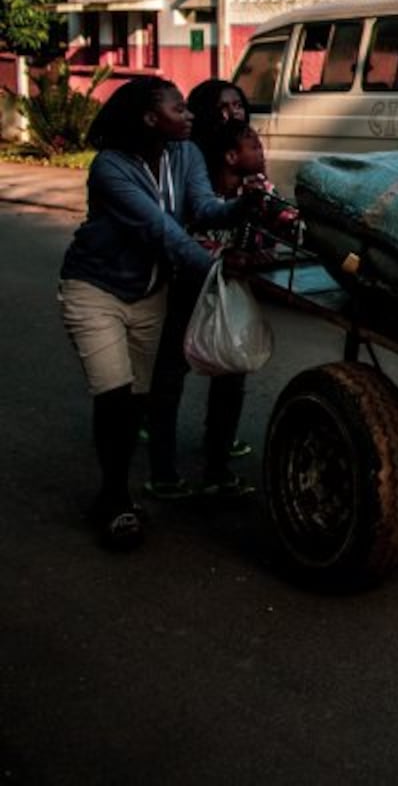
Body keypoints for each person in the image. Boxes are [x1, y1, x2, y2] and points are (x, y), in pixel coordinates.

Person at [56, 78, 248, 549]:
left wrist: (248, 205)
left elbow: (202, 209)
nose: (190, 115)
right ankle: (117, 500)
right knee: (114, 394)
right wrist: (218, 271)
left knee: (137, 401)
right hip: (95, 289)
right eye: (179, 108)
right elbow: (162, 230)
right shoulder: (110, 168)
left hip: (149, 295)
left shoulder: (185, 155)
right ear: (149, 118)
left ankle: (113, 490)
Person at [144, 81, 260, 499]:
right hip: (192, 276)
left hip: (226, 277)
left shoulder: (245, 160)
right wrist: (214, 254)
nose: (235, 113)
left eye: (238, 104)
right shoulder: (192, 158)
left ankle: (217, 462)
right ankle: (163, 468)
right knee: (172, 370)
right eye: (223, 106)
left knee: (230, 365)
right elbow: (189, 218)